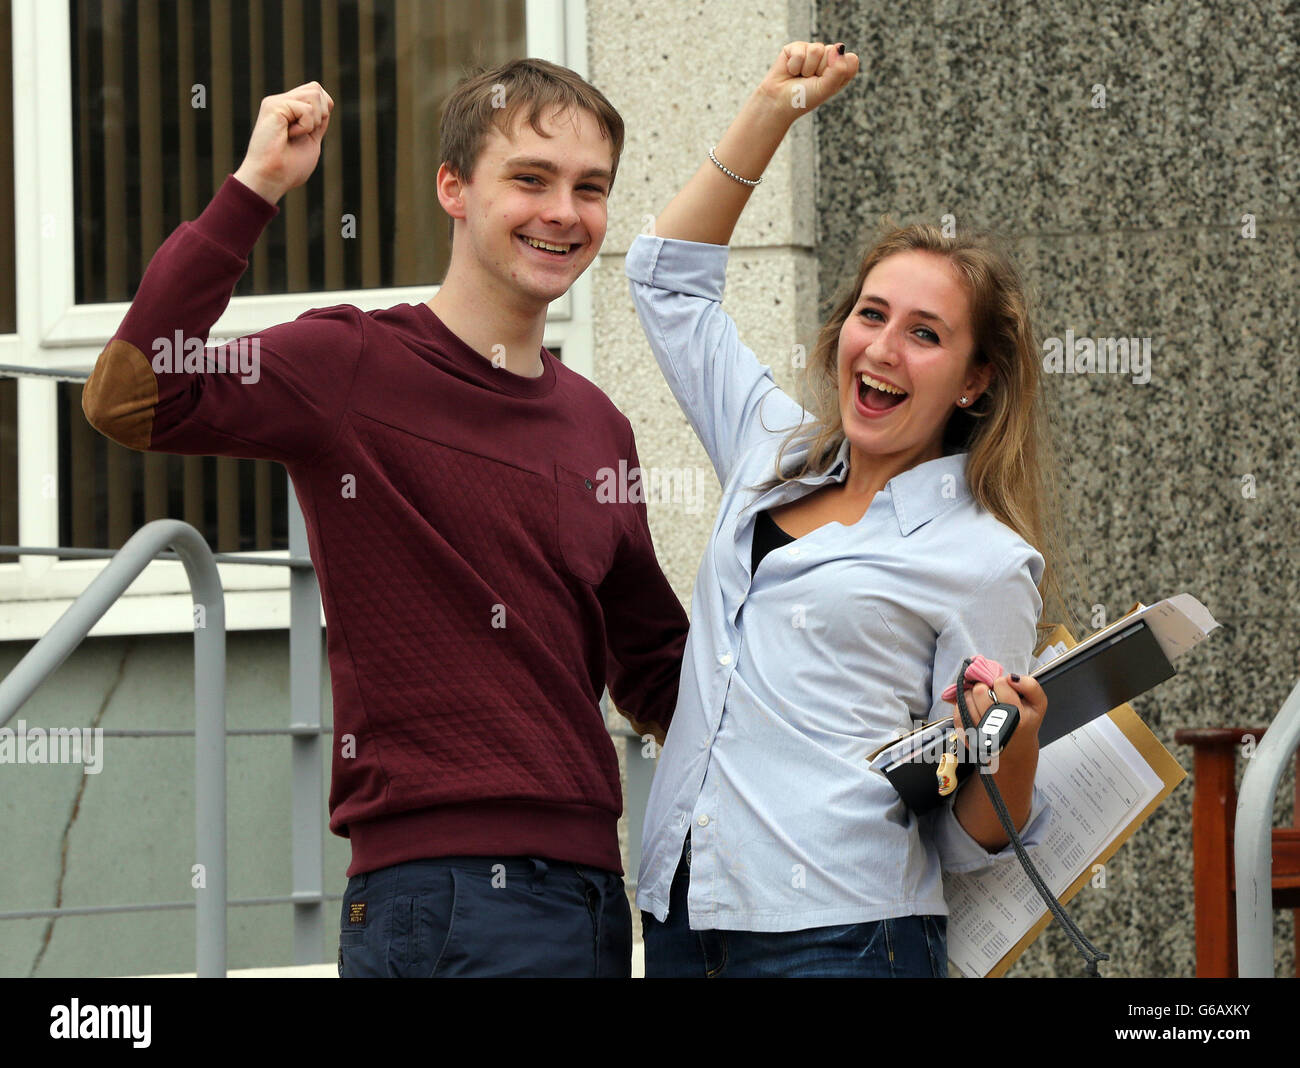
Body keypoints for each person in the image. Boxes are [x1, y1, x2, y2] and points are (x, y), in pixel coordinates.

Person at [82, 60, 689, 978]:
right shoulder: (351, 365)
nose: (563, 211)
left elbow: (659, 670)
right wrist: (255, 190)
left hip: (595, 894)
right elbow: (132, 397)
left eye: (589, 188)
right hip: (445, 900)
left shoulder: (600, 426)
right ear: (454, 187)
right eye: (529, 178)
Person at [626, 41, 1061, 977]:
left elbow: (972, 834)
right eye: (872, 314)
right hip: (679, 914)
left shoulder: (985, 560)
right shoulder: (770, 451)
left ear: (977, 380)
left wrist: (1013, 751)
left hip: (843, 938)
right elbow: (665, 279)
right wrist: (772, 108)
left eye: (926, 334)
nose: (884, 349)